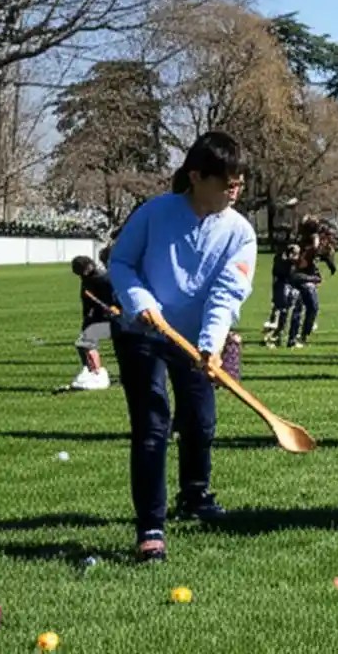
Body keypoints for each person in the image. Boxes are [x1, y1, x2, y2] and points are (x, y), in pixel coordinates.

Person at [106, 131, 257, 562]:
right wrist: (141, 303)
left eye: (240, 180)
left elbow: (227, 293)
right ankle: (150, 526)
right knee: (153, 424)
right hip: (142, 332)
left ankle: (194, 494)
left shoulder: (240, 233)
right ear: (196, 176)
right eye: (227, 180)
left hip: (194, 339)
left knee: (200, 420)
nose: (236, 188)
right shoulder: (155, 213)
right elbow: (120, 262)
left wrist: (210, 346)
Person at [68, 255, 116, 391]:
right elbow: (88, 305)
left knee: (85, 343)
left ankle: (96, 373)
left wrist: (112, 310)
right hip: (101, 319)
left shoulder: (102, 279)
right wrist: (87, 321)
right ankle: (93, 371)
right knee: (84, 342)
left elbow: (115, 301)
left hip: (115, 320)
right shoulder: (88, 280)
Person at [262, 244, 300, 348]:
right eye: (296, 254)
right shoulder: (288, 264)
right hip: (283, 291)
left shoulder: (279, 261)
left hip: (280, 290)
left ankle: (275, 335)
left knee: (278, 312)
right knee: (281, 313)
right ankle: (274, 336)